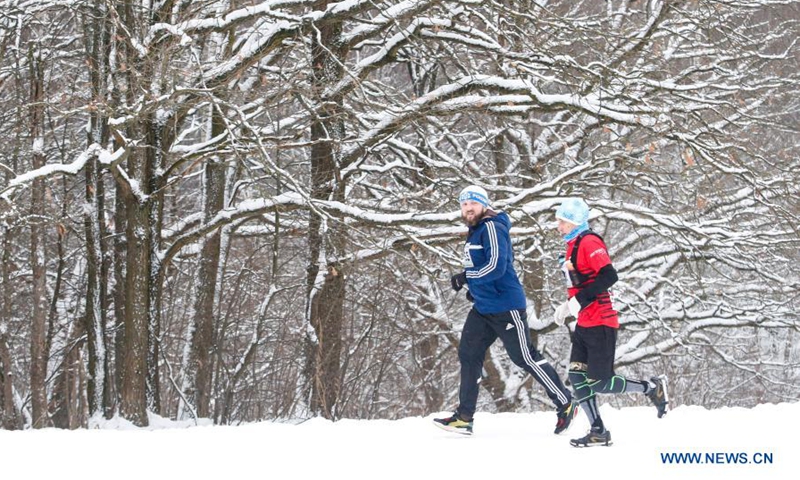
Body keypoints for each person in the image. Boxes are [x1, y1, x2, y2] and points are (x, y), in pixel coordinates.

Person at [433, 185, 578, 436]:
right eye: (464, 204)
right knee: (468, 354)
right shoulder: (476, 229)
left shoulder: (491, 227)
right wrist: (475, 289)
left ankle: (565, 402)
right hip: (483, 307)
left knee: (524, 357)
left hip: (506, 307)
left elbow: (496, 267)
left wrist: (467, 277)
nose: (468, 208)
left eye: (473, 204)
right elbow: (484, 270)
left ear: (484, 205)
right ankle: (464, 417)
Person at [553, 198, 669, 447]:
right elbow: (581, 281)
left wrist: (579, 301)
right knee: (576, 377)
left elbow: (609, 275)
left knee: (600, 382)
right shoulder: (572, 244)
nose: (558, 226)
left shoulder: (589, 242)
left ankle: (650, 387)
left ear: (573, 222)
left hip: (601, 322)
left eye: (562, 221)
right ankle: (598, 431)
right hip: (585, 322)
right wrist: (569, 306)